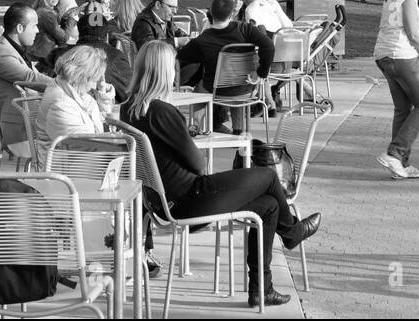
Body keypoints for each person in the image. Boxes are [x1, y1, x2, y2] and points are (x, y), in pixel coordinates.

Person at [120, 42, 320, 307]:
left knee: (269, 206)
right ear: (162, 71)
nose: (175, 71)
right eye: (172, 67)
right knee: (268, 177)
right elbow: (198, 162)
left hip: (160, 202)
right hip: (191, 199)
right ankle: (293, 232)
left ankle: (262, 288)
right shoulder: (161, 111)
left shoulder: (129, 109)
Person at [374, 0, 419, 180]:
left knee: (402, 109)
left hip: (384, 55)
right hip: (401, 56)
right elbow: (413, 34)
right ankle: (395, 153)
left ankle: (400, 164)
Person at [177, 0, 274, 132]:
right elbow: (269, 46)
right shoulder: (245, 29)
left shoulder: (203, 40)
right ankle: (239, 130)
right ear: (231, 13)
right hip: (246, 89)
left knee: (199, 88)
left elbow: (181, 57)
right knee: (238, 86)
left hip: (216, 91)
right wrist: (260, 74)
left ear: (211, 13)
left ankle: (197, 126)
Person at [0, 3, 54, 164]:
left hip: (32, 123)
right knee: (76, 138)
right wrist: (66, 85)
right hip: (23, 132)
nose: (37, 31)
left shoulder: (11, 48)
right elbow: (30, 78)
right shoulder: (2, 53)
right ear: (20, 28)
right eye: (35, 26)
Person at [33, 44, 112, 168]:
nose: (94, 86)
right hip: (68, 172)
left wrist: (102, 91)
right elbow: (84, 146)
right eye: (94, 80)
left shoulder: (73, 91)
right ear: (81, 77)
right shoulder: (61, 104)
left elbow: (102, 121)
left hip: (80, 165)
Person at [30, 0, 69, 68]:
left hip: (37, 55)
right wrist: (69, 21)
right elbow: (64, 37)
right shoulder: (46, 15)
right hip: (43, 58)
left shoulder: (39, 11)